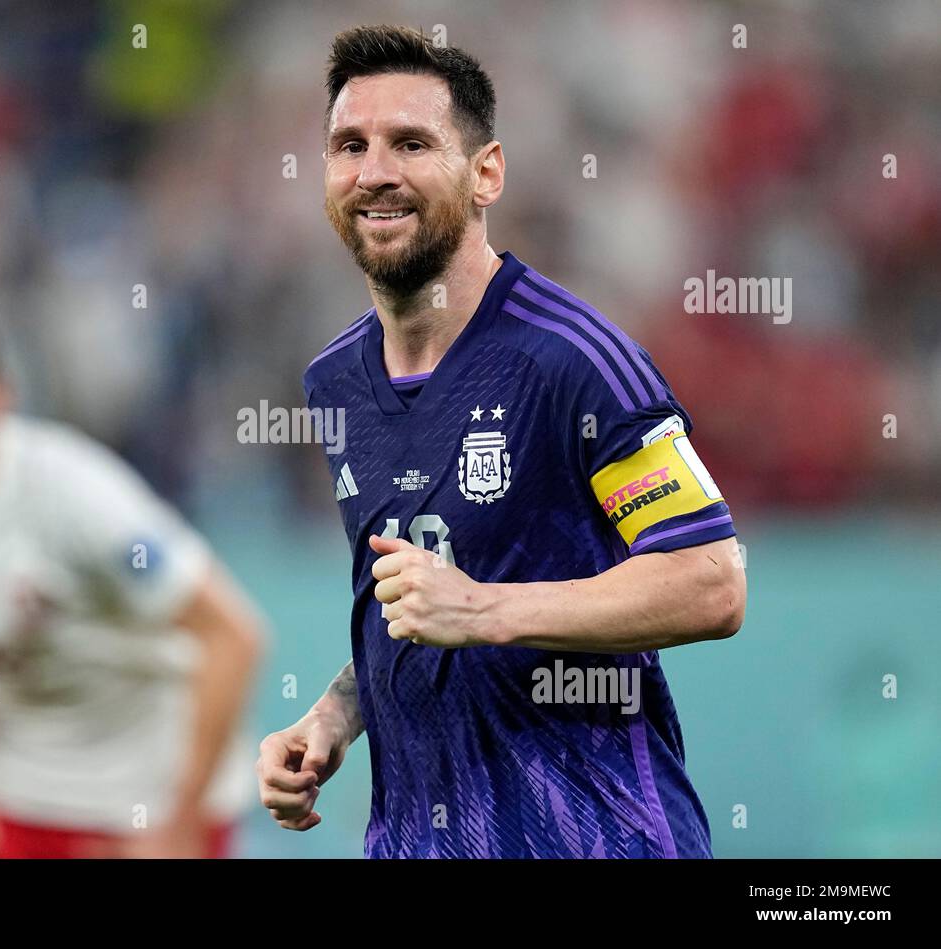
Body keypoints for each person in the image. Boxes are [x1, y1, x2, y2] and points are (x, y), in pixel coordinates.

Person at [257, 25, 746, 858]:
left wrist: (483, 609)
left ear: (486, 173)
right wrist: (337, 713)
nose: (375, 172)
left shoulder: (575, 359)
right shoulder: (333, 382)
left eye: (411, 143)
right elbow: (412, 601)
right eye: (350, 145)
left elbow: (711, 583)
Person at [0, 311, 264, 858]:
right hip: (10, 794)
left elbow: (232, 636)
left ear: (1, 397)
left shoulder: (74, 492)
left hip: (144, 800)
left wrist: (180, 827)